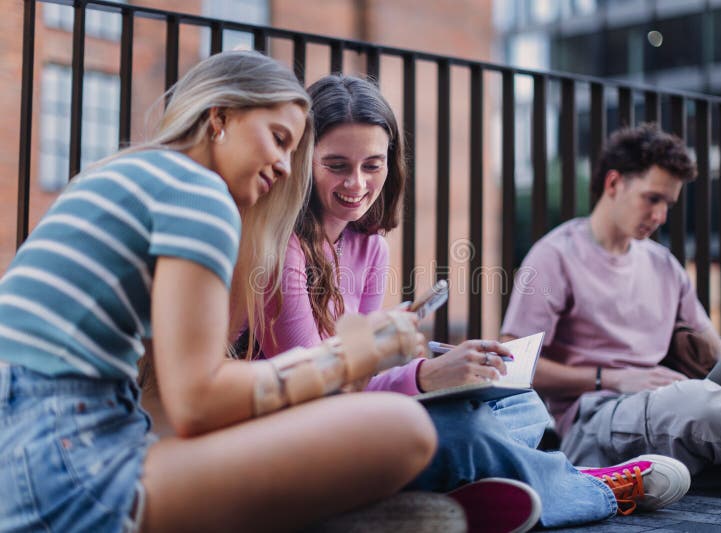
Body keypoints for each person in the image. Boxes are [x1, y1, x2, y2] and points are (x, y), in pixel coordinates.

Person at [0, 51, 442, 533]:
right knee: (403, 431)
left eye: (293, 153)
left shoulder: (126, 174)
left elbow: (172, 390)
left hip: (33, 445)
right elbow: (197, 402)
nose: (284, 167)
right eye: (278, 139)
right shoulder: (201, 195)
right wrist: (350, 355)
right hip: (68, 455)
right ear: (219, 118)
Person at [252, 74, 693, 529]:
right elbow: (312, 391)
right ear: (304, 161)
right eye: (337, 165)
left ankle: (469, 490)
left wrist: (441, 371)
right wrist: (423, 376)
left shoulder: (369, 245)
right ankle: (594, 487)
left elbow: (362, 375)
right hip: (305, 433)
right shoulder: (281, 247)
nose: (357, 184)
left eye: (373, 164)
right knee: (466, 429)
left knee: (520, 405)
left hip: (356, 420)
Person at [501, 123, 721, 477]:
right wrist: (610, 378)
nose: (660, 216)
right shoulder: (554, 256)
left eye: (668, 204)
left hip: (667, 408)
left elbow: (717, 351)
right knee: (694, 404)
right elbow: (512, 364)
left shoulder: (663, 264)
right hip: (595, 420)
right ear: (614, 184)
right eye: (652, 198)